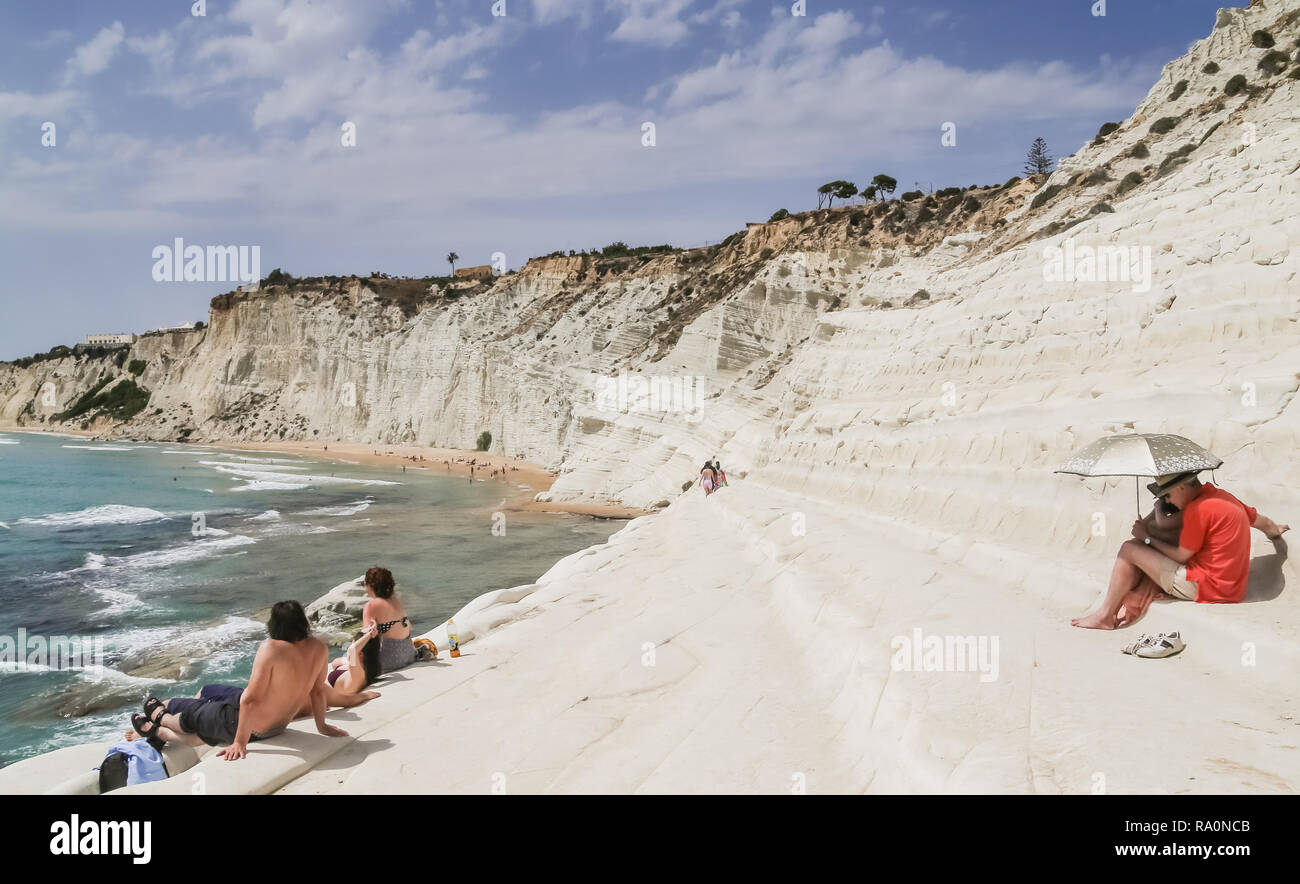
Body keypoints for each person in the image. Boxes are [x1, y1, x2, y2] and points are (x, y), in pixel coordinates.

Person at [130, 601, 347, 760]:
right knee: (209, 690)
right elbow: (318, 691)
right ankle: (175, 718)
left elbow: (251, 699)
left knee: (187, 721)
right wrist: (322, 725)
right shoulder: (318, 647)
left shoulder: (271, 648)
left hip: (254, 727)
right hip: (277, 725)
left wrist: (239, 742)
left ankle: (158, 725)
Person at [1072, 471, 1289, 630]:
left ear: (1181, 487)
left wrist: (1144, 538)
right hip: (1233, 586)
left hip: (1208, 588)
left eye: (1166, 495)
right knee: (1152, 544)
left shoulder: (1198, 510)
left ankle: (1105, 615)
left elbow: (1179, 556)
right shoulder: (1222, 496)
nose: (1167, 501)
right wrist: (1276, 532)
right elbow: (1263, 523)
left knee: (1129, 548)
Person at [312, 624, 383, 711]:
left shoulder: (358, 672)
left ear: (360, 654)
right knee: (336, 662)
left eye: (351, 645)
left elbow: (352, 650)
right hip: (343, 680)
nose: (348, 649)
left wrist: (370, 634)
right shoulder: (369, 666)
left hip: (333, 694)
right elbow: (354, 650)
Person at [361, 566, 417, 673]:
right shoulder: (396, 600)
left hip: (389, 661)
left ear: (371, 586)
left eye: (365, 584)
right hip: (409, 655)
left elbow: (364, 639)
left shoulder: (371, 606)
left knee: (337, 665)